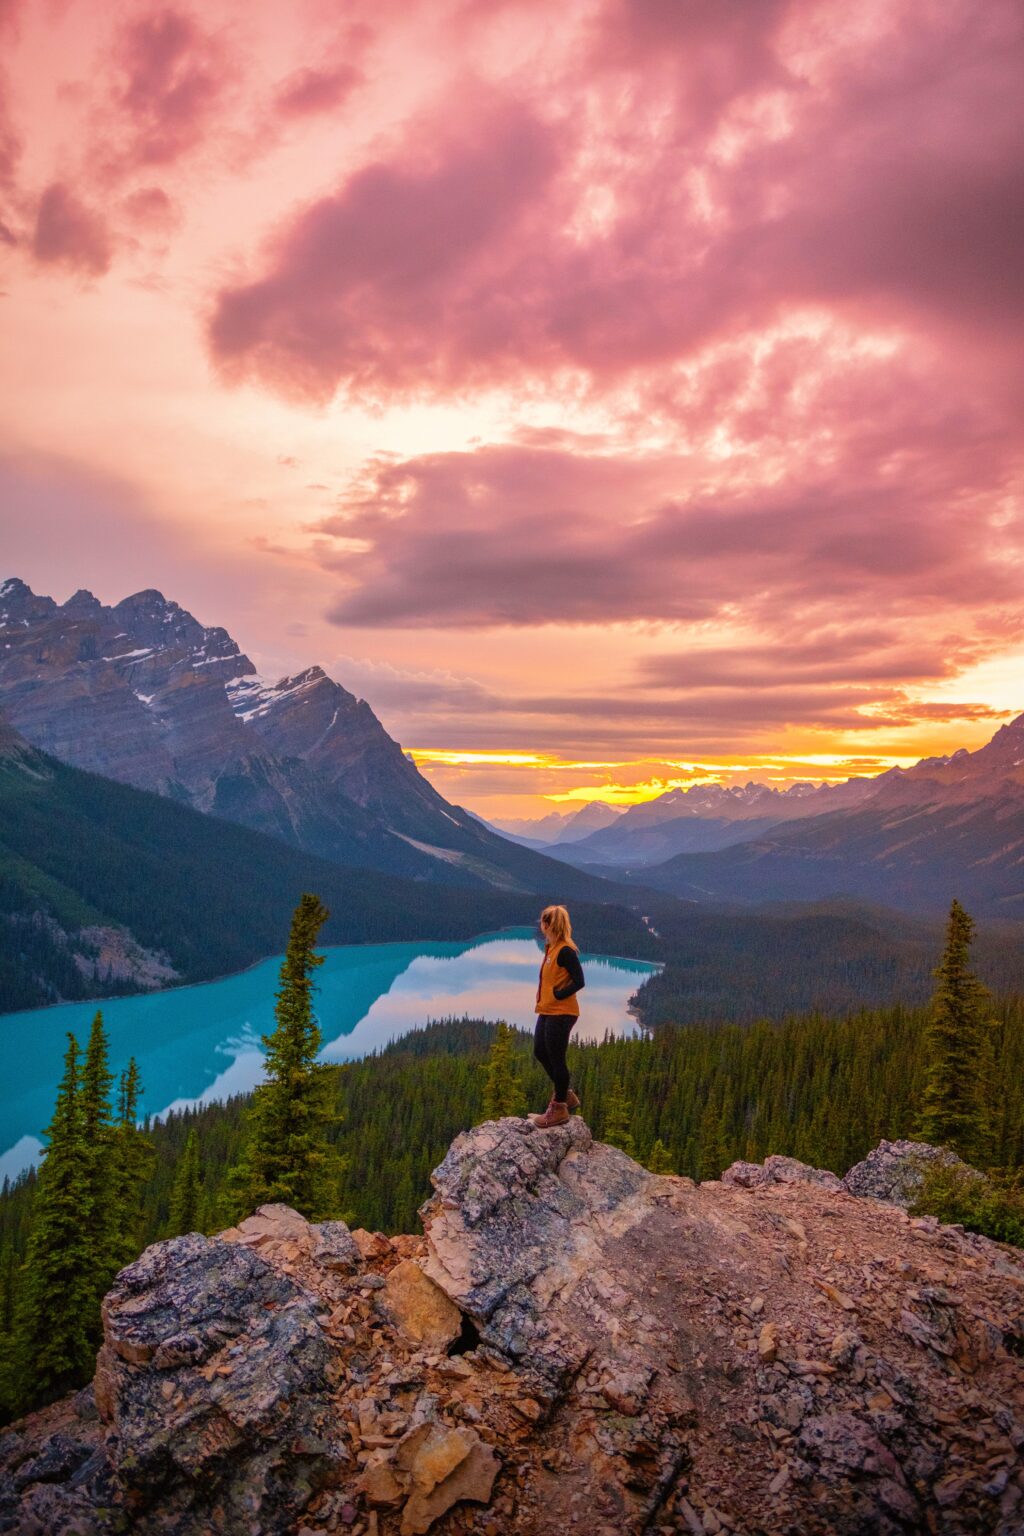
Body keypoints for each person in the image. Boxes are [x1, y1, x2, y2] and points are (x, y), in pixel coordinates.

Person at [530, 904, 585, 1128]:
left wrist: (559, 994)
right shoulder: (551, 948)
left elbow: (580, 981)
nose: (541, 926)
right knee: (540, 1050)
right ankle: (566, 1094)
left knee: (556, 1058)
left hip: (562, 1012)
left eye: (543, 922)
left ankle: (560, 1107)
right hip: (547, 1009)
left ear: (547, 924)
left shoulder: (565, 951)